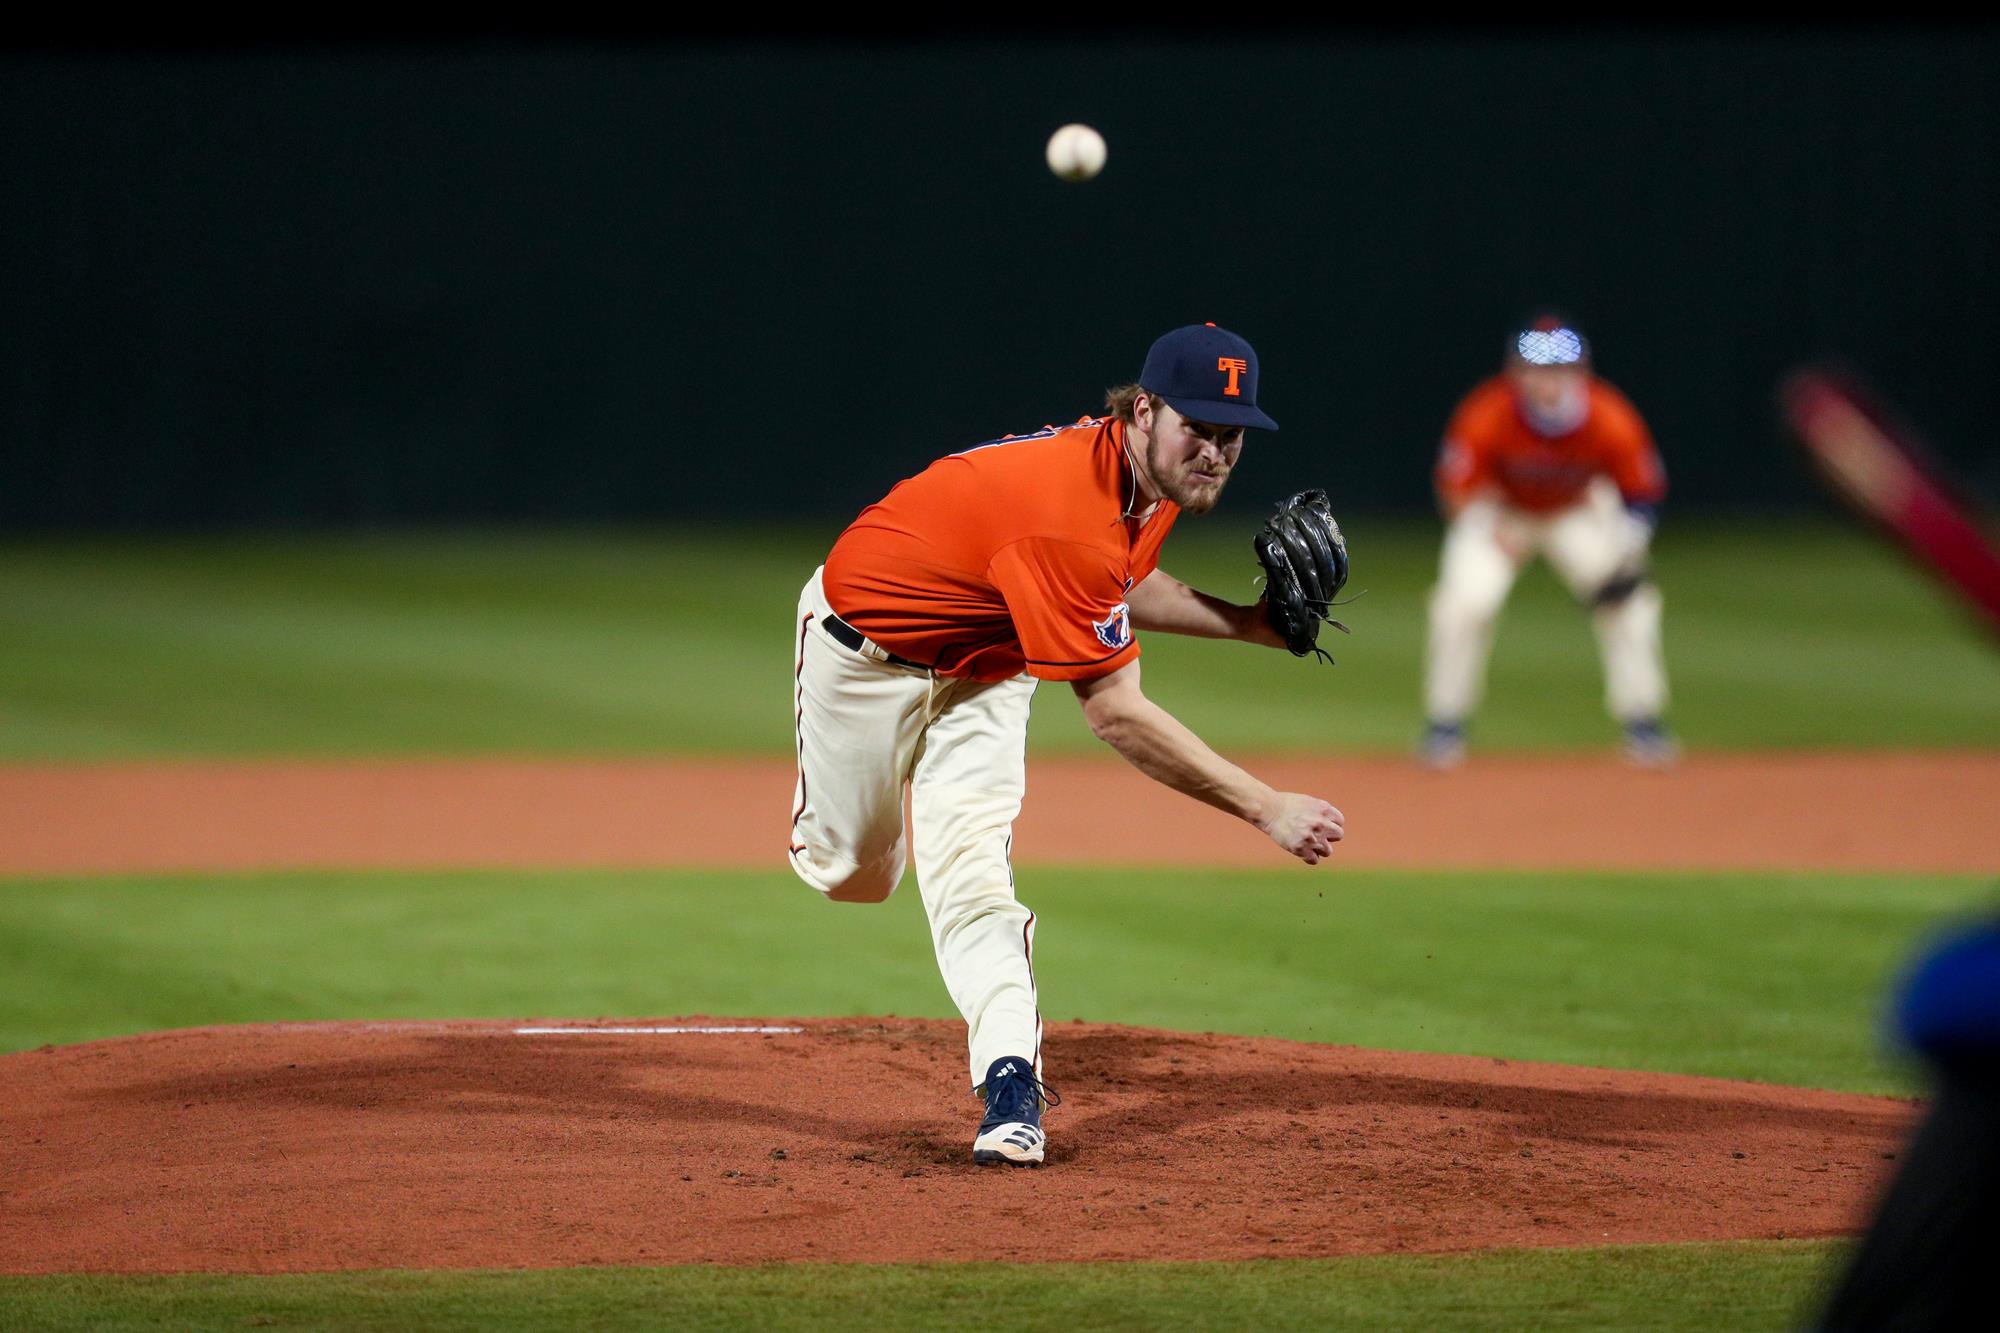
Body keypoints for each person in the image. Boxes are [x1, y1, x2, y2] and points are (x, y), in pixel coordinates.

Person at [787, 323, 1345, 1167]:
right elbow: (1115, 711)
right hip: (862, 656)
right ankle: (821, 831)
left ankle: (1011, 1086)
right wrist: (1265, 806)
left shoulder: (1140, 481)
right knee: (855, 874)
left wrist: (1253, 626)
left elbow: (1116, 583)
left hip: (990, 665)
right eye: (1198, 428)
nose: (1215, 453)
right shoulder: (1067, 513)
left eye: (1231, 436)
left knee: (973, 879)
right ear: (1146, 410)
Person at [1418, 315, 1676, 769]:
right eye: (1537, 370)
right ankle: (1445, 723)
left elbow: (1640, 495)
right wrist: (1494, 529)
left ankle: (1643, 721)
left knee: (1630, 604)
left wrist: (1626, 556)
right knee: (1463, 604)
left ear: (1582, 373)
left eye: (1560, 370)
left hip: (1578, 511)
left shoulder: (1609, 415)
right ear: (1515, 374)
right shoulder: (1487, 411)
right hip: (1499, 510)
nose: (1547, 381)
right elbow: (1455, 488)